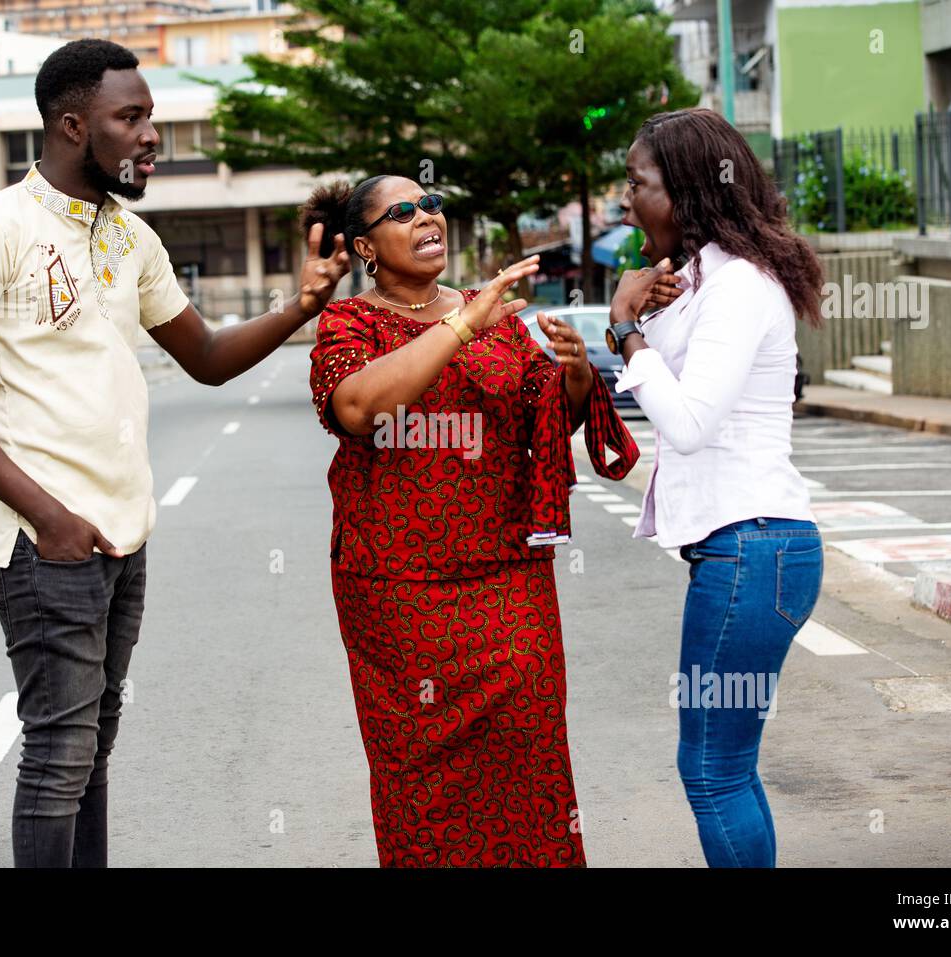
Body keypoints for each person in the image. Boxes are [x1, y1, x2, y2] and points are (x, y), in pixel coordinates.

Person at [0, 38, 350, 868]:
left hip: (123, 538)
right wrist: (51, 518)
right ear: (74, 125)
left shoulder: (131, 239)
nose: (152, 137)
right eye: (132, 118)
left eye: (153, 118)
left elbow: (209, 358)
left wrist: (302, 305)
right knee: (59, 756)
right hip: (46, 544)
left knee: (92, 751)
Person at [306, 176, 638, 866]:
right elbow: (361, 409)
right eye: (403, 212)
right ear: (366, 245)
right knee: (419, 773)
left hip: (507, 579)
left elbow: (542, 424)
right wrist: (461, 326)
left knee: (530, 750)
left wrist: (574, 377)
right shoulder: (352, 324)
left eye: (432, 206)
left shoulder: (493, 316)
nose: (427, 217)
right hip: (398, 590)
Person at [604, 107, 825, 868]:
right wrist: (630, 324)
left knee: (710, 769)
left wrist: (626, 327)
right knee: (727, 767)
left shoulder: (739, 288)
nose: (625, 201)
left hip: (752, 549)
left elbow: (689, 420)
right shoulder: (705, 281)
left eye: (639, 184)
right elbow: (663, 387)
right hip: (748, 550)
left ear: (690, 190)